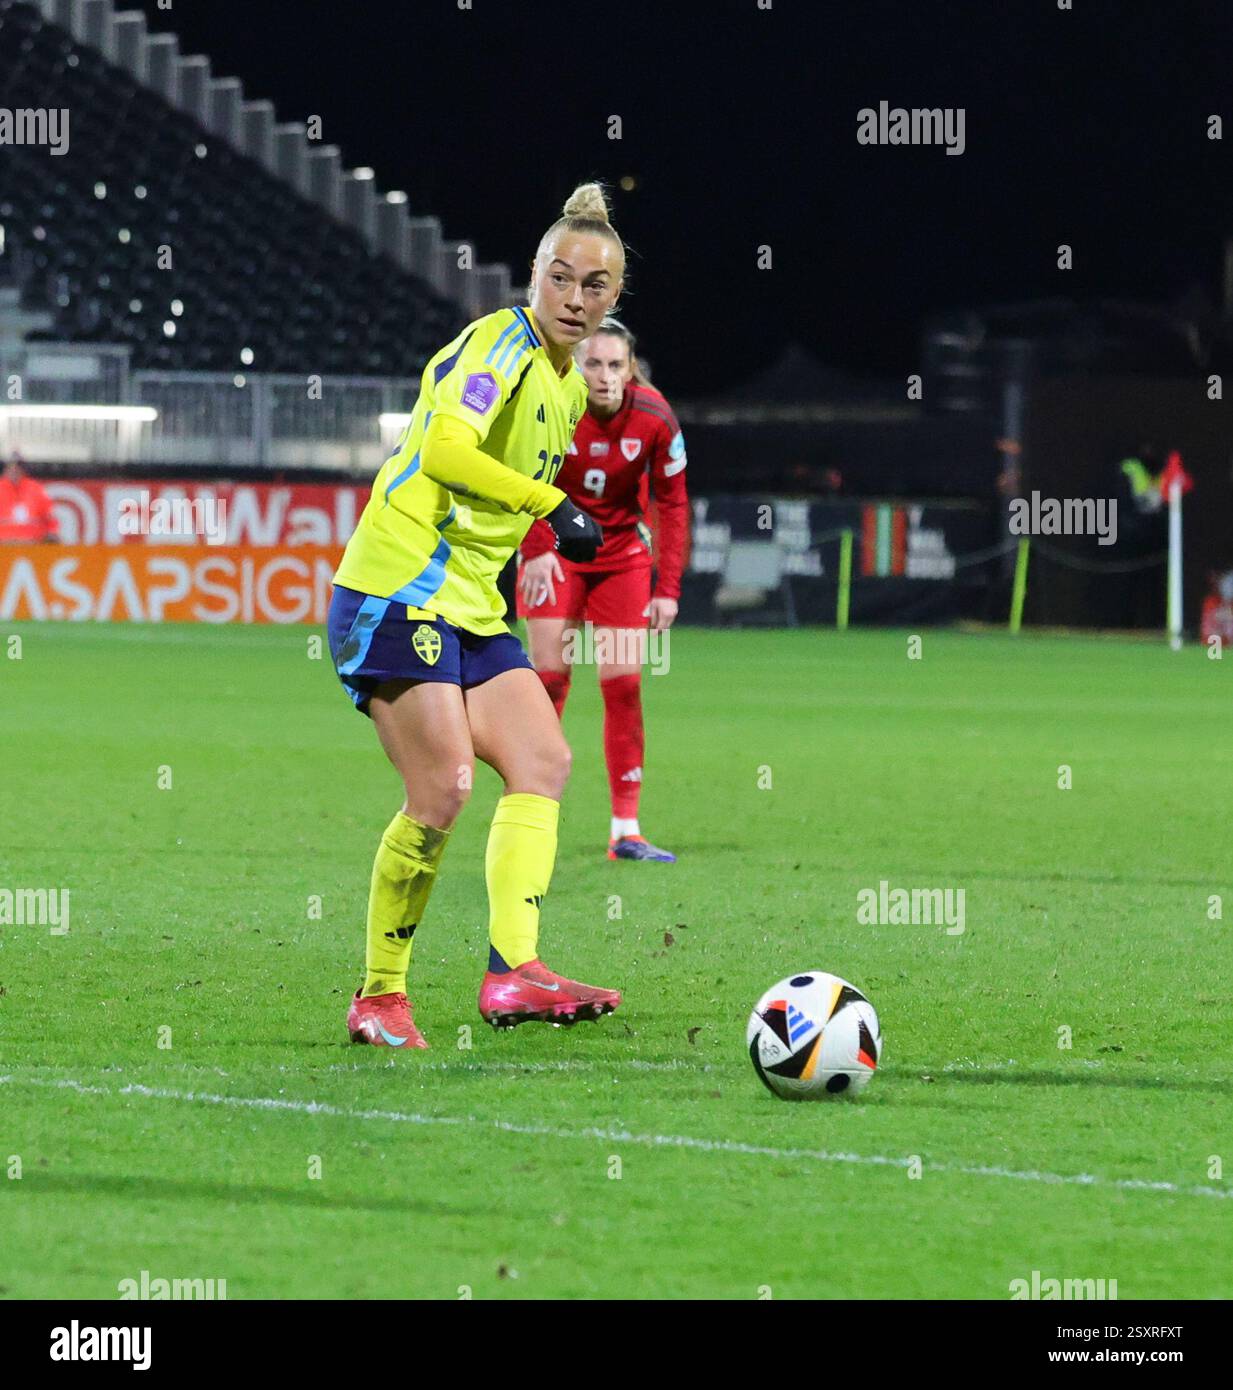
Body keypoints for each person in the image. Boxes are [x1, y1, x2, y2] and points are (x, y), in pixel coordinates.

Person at [327, 183, 624, 1047]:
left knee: (543, 757)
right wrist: (549, 503)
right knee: (445, 785)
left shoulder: (569, 387)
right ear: (533, 276)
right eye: (560, 278)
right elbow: (446, 449)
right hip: (395, 588)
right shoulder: (502, 341)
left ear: (613, 299)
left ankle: (513, 975)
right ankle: (378, 998)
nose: (574, 298)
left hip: (468, 605)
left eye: (594, 287)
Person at [516, 319, 688, 861]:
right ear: (578, 364)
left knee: (623, 685)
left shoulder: (656, 416)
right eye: (594, 363)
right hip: (556, 551)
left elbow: (673, 501)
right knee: (548, 682)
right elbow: (520, 476)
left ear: (631, 370)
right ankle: (531, 816)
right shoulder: (551, 403)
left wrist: (669, 587)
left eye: (616, 365)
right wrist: (536, 548)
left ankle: (625, 831)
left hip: (621, 559)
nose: (605, 376)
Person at [0, 451, 60, 543]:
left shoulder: (36, 489)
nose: (14, 470)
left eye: (18, 467)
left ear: (24, 470)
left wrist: (53, 532)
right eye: (10, 467)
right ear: (5, 470)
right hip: (3, 545)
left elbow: (50, 517)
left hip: (32, 545)